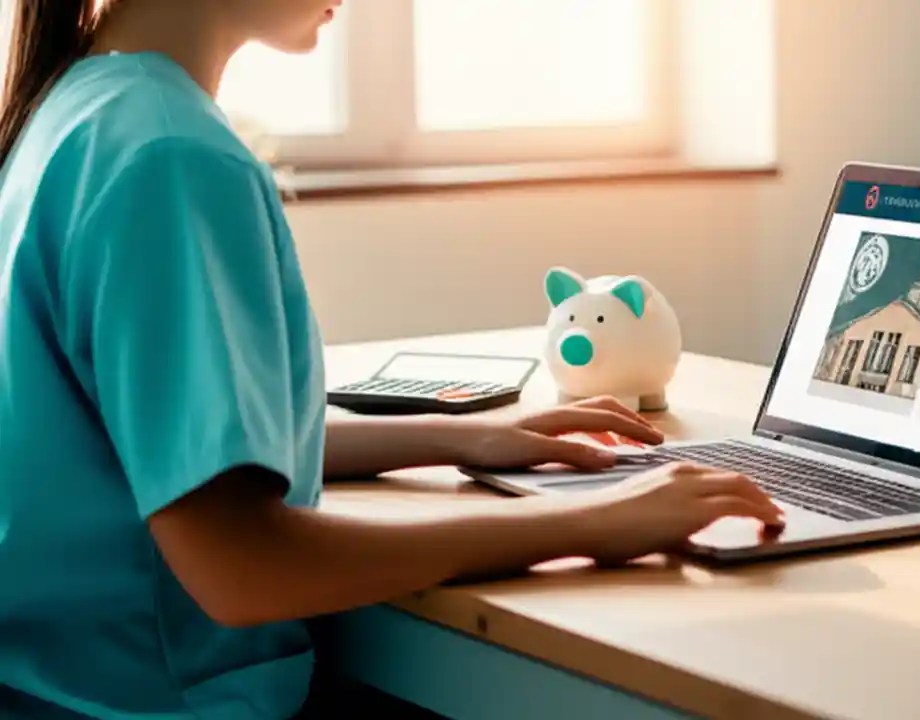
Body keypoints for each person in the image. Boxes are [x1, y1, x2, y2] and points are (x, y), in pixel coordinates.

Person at [0, 1, 784, 717]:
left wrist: (457, 436)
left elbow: (163, 453)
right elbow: (241, 568)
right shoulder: (173, 157)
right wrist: (591, 523)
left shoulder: (81, 107)